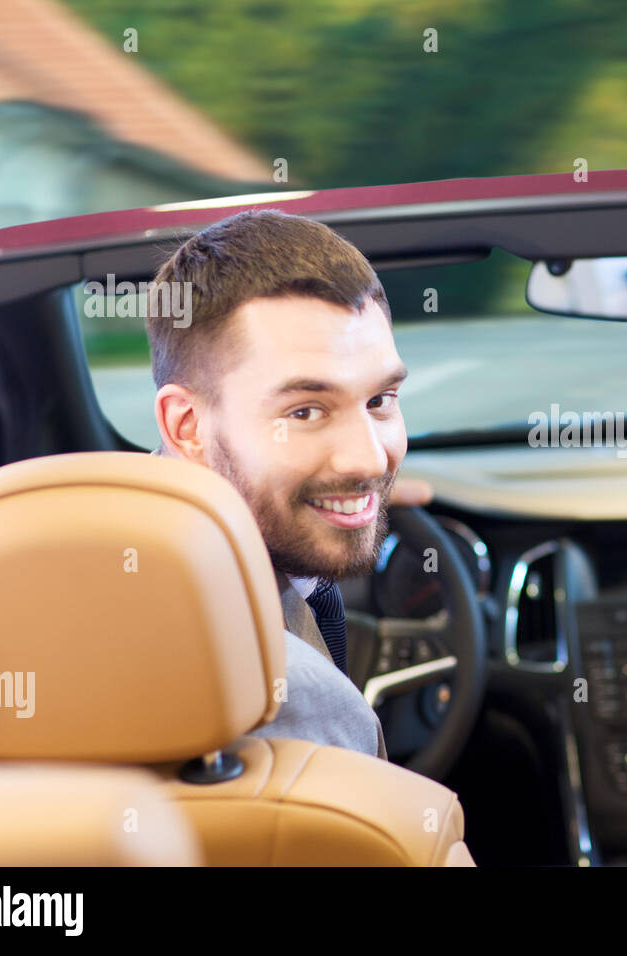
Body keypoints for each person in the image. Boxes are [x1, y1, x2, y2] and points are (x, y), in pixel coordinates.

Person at [146, 209, 424, 758]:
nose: (368, 459)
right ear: (187, 425)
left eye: (379, 402)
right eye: (305, 412)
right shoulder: (287, 698)